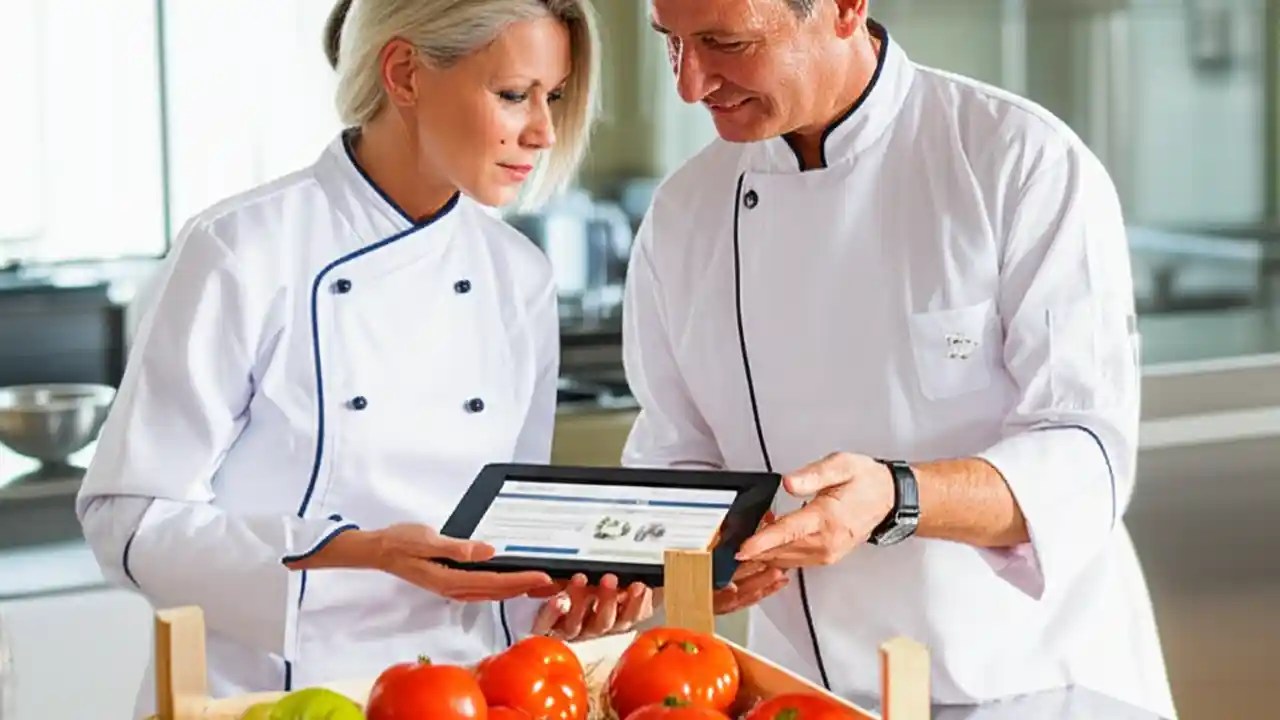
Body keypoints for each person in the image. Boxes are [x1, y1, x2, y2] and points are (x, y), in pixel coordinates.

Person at [74, 0, 643, 714]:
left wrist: (554, 606)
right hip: (266, 694)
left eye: (553, 97)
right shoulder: (241, 248)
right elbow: (128, 519)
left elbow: (502, 529)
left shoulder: (517, 273)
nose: (542, 131)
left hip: (459, 695)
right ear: (405, 73)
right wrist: (357, 551)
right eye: (511, 94)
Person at [620, 0, 1175, 717]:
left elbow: (1083, 458)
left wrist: (894, 497)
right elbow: (676, 460)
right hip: (802, 692)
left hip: (1029, 681)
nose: (691, 85)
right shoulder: (684, 213)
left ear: (847, 8)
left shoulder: (1016, 160)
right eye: (673, 45)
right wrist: (699, 560)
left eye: (726, 43)